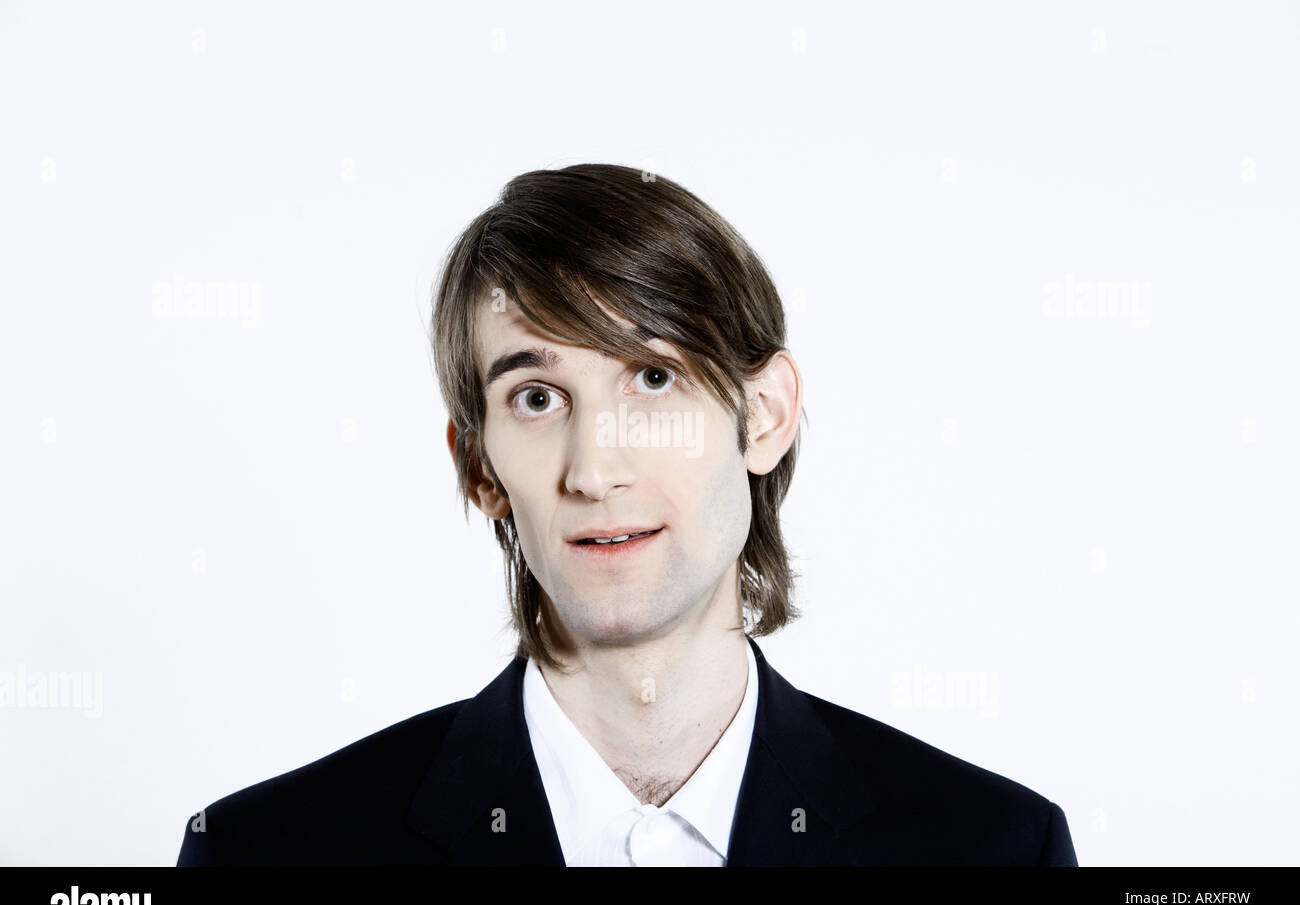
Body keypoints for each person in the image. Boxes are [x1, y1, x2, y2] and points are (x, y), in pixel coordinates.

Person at [176, 163, 1078, 866]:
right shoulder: (263, 856)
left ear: (762, 415)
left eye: (653, 378)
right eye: (536, 398)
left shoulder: (996, 850)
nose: (596, 468)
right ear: (479, 468)